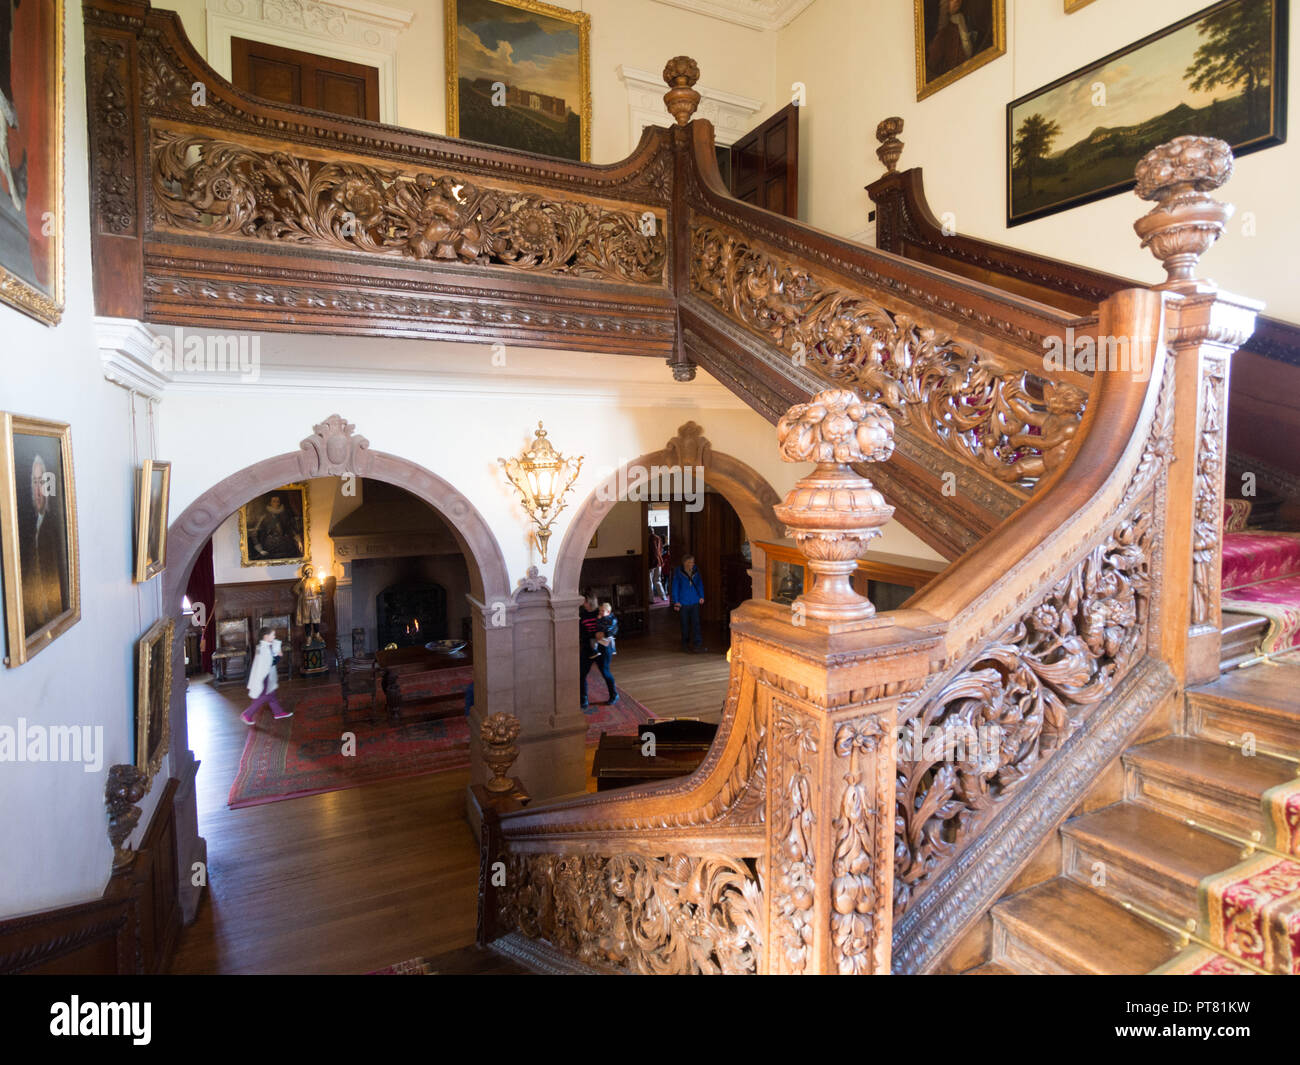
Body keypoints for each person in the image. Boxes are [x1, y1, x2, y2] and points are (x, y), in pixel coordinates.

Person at [242, 627, 293, 724]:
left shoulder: (262, 647)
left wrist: (276, 651)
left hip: (265, 675)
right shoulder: (263, 649)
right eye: (273, 635)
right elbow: (270, 663)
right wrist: (279, 656)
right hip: (264, 677)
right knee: (264, 696)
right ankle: (247, 714)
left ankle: (278, 712)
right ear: (266, 637)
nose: (274, 636)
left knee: (272, 694)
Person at [670, 554, 706, 653]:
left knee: (696, 623)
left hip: (694, 600)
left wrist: (701, 596)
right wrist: (676, 601)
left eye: (693, 562)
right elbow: (675, 587)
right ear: (685, 563)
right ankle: (685, 644)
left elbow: (699, 584)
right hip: (683, 602)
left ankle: (697, 644)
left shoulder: (696, 570)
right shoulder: (678, 572)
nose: (692, 564)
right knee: (684, 624)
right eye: (690, 562)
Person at [589, 602, 619, 705]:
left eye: (602, 611)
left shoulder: (612, 620)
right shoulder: (600, 617)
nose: (600, 612)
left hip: (606, 646)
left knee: (605, 671)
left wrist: (603, 633)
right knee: (602, 670)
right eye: (600, 610)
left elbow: (612, 630)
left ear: (608, 611)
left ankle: (614, 694)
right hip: (599, 644)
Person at [578, 593, 601, 709]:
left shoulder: (599, 613)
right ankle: (584, 698)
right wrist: (593, 635)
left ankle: (613, 694)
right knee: (582, 674)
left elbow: (608, 626)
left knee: (606, 673)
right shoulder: (582, 614)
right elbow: (582, 633)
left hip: (600, 648)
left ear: (590, 601)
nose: (583, 603)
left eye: (585, 601)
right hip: (587, 647)